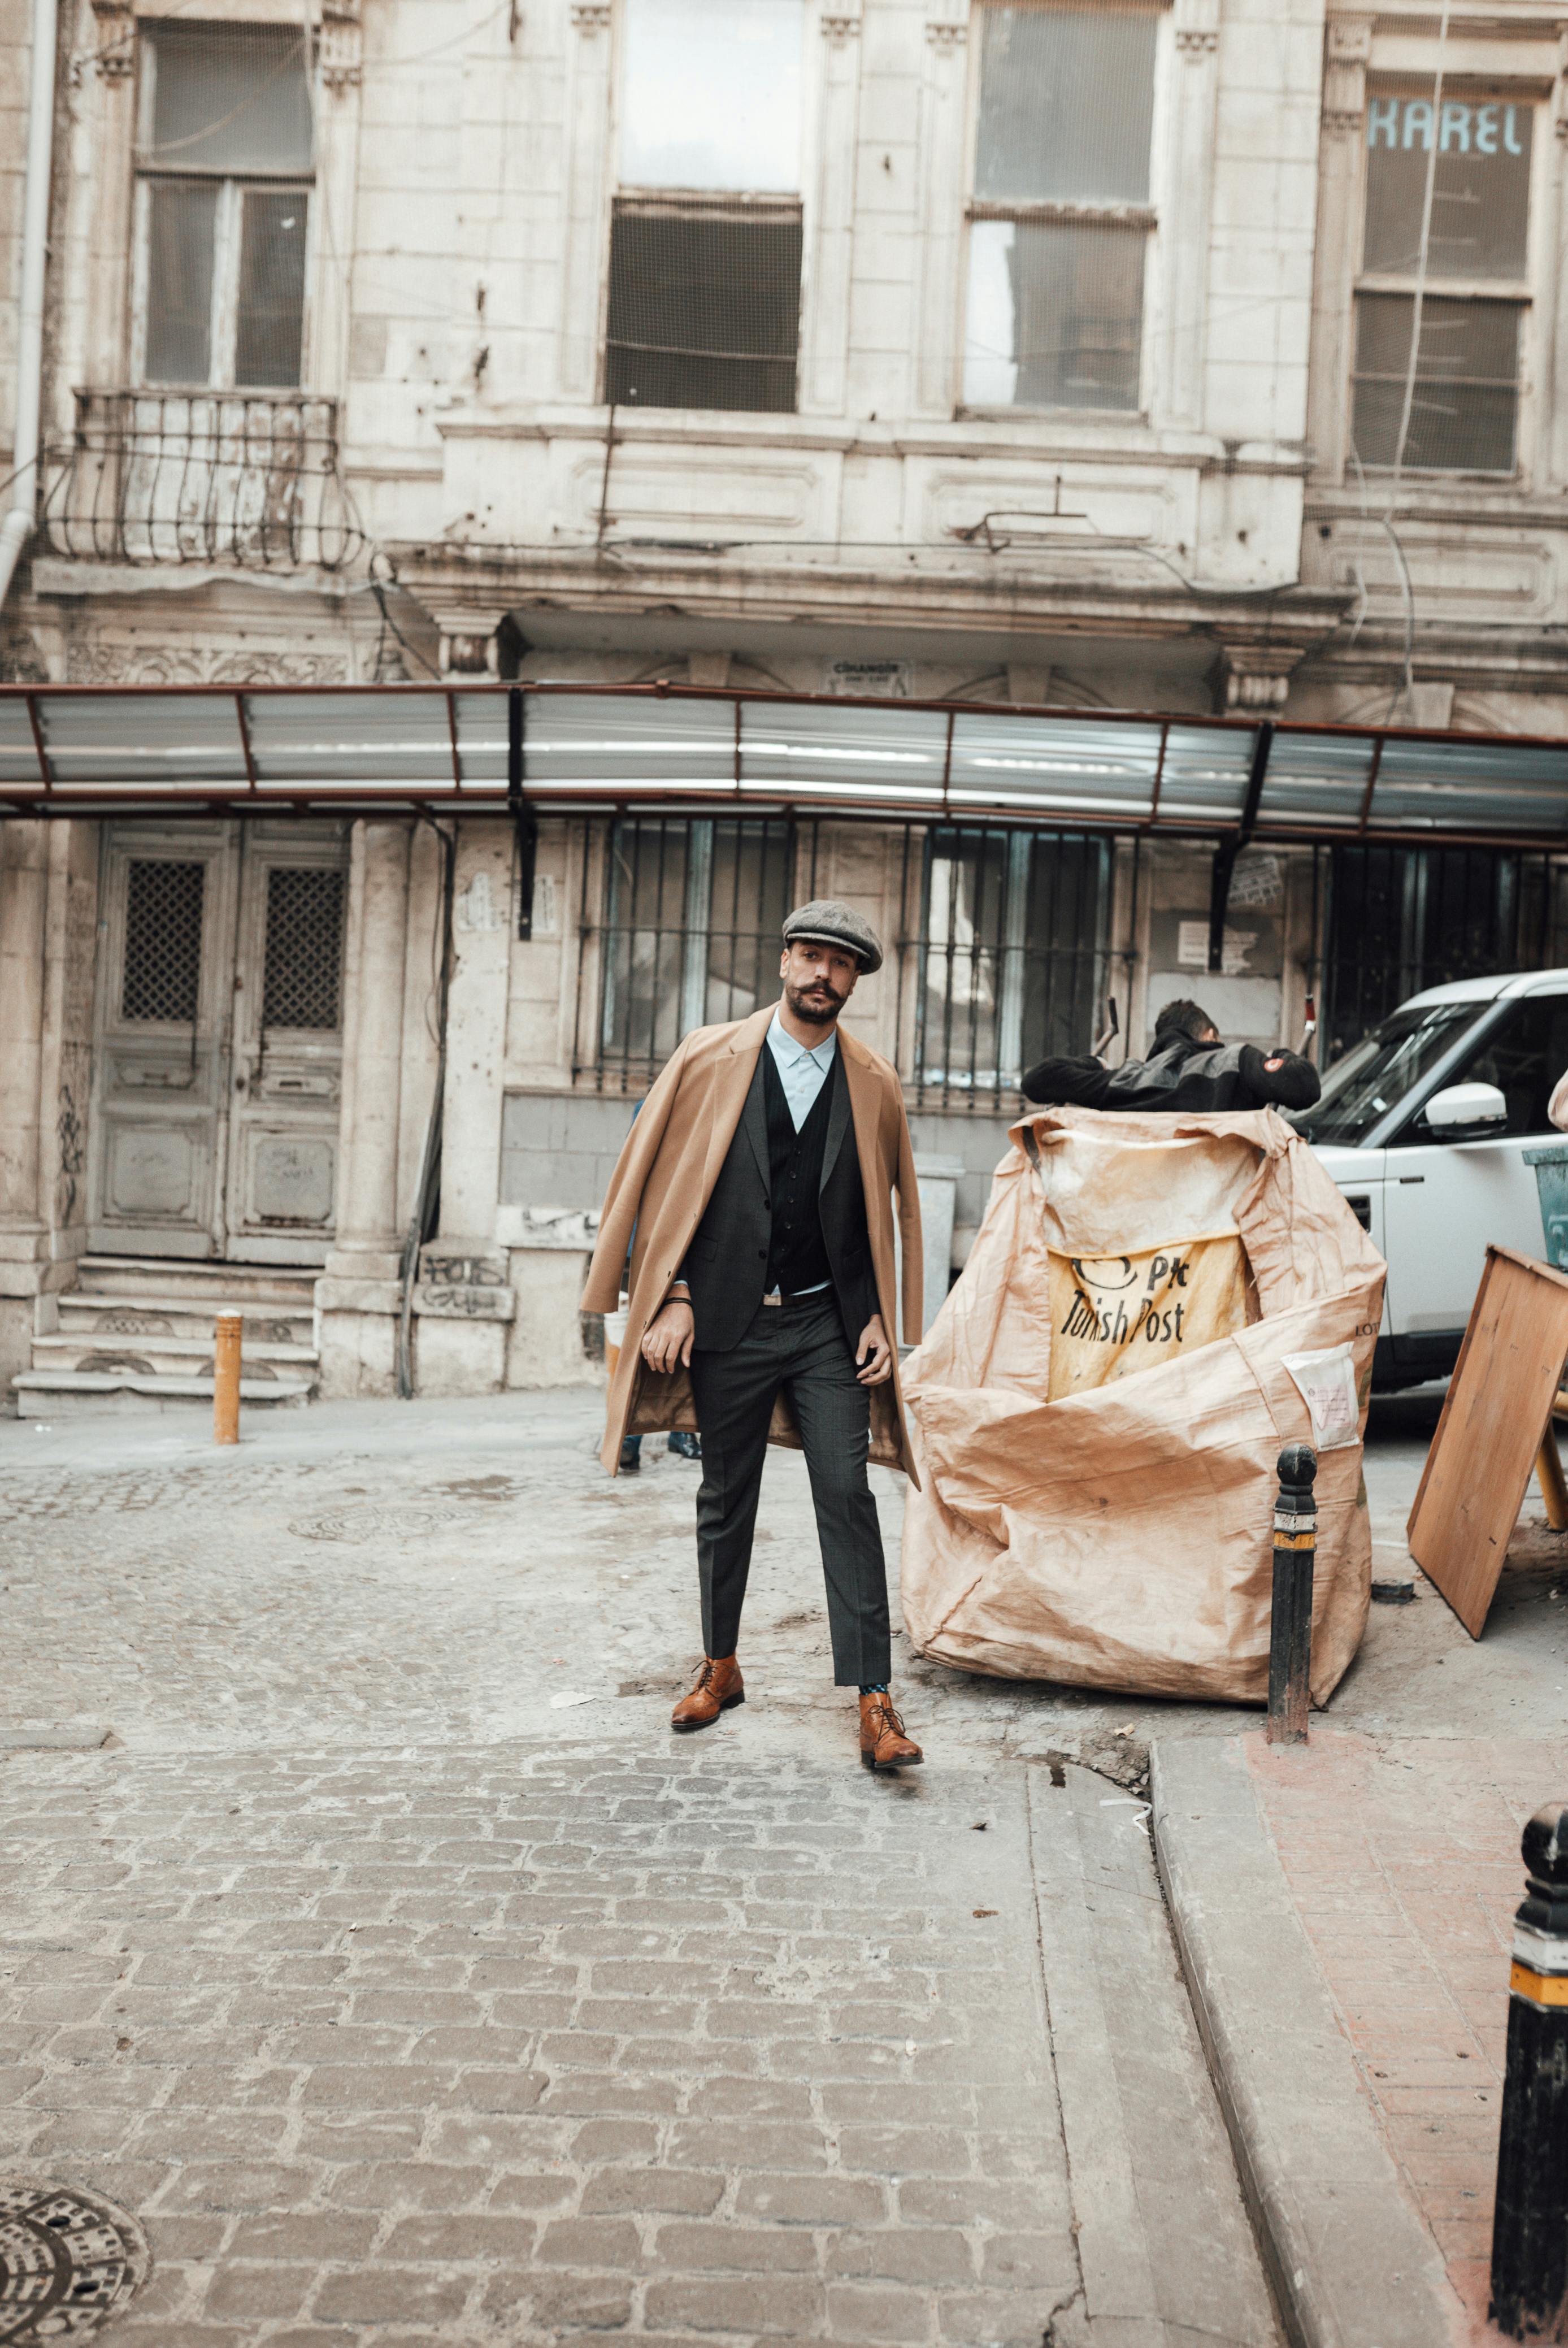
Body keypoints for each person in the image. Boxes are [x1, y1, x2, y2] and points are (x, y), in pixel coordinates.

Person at [583, 900, 927, 1772]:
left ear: (853, 981)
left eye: (839, 963)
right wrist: (672, 1295)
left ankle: (874, 1697)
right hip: (724, 1317)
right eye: (809, 955)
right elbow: (659, 1184)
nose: (822, 973)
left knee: (845, 1494)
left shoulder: (873, 1081)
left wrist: (879, 1315)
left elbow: (878, 1208)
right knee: (724, 1494)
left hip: (825, 1323)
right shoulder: (708, 1057)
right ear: (782, 961)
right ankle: (721, 1664)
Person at [1022, 997, 1321, 1116]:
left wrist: (1095, 1064)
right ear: (1211, 1036)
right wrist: (1278, 1054)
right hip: (1218, 1220)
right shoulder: (1234, 1062)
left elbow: (1037, 1080)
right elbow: (1304, 1086)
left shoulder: (1127, 1078)